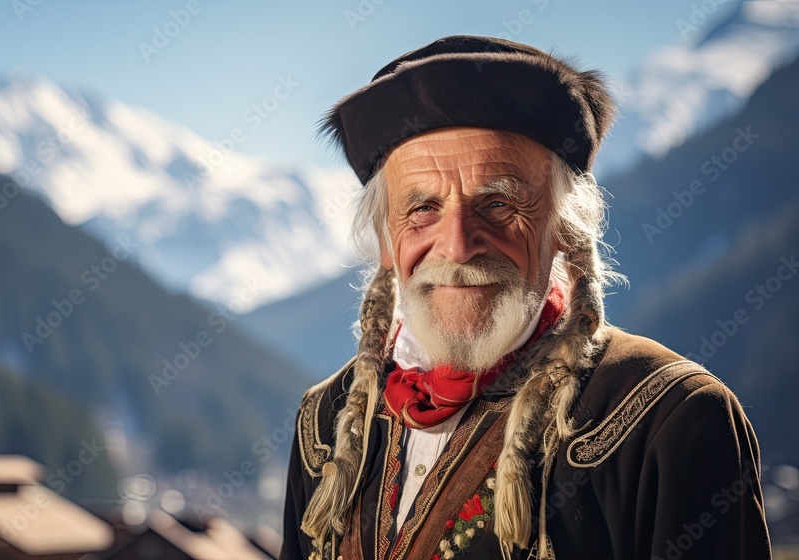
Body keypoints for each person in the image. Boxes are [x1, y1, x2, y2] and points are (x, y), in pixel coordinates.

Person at [278, 35, 771, 560]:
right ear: (385, 239)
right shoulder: (325, 419)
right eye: (422, 208)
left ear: (565, 226)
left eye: (497, 202)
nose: (458, 246)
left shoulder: (670, 420)